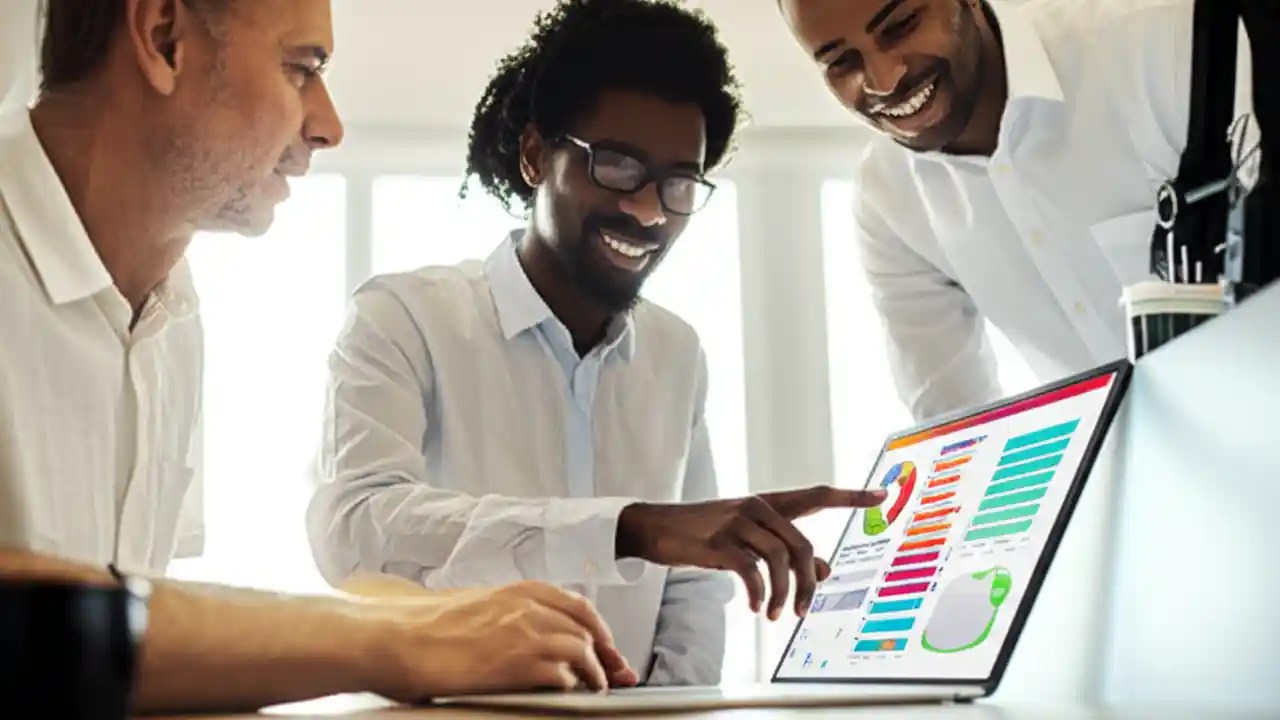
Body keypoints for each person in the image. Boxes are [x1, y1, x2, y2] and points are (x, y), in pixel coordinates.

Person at [0, 0, 630, 711]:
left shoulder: (172, 316)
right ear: (164, 38)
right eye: (301, 68)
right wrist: (389, 641)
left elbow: (124, 651)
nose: (328, 126)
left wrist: (412, 620)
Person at [307, 0, 888, 687]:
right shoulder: (403, 317)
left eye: (677, 183)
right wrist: (630, 528)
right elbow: (355, 532)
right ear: (534, 156)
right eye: (616, 167)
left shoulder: (678, 354)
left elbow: (692, 591)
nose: (648, 210)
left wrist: (666, 705)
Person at [778, 0, 1256, 421]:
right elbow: (958, 426)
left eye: (901, 24)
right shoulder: (887, 200)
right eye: (841, 62)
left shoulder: (1166, 45)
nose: (884, 80)